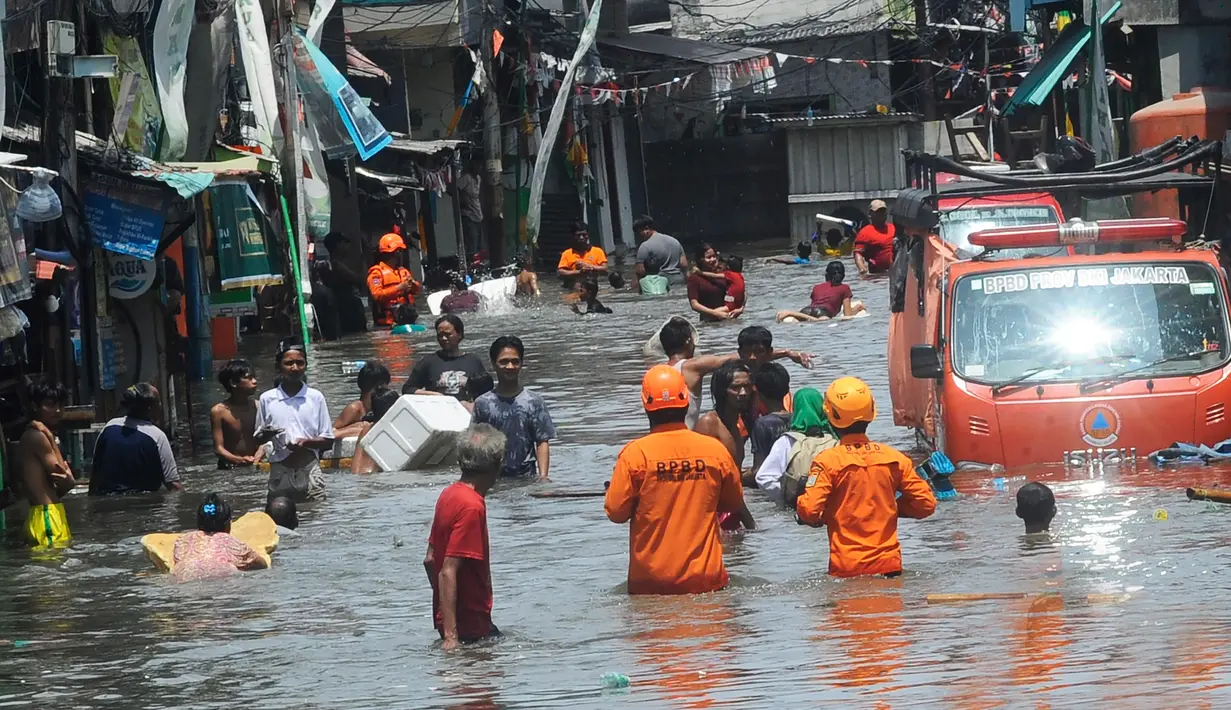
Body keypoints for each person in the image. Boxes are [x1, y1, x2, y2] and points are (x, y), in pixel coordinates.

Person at [604, 365, 752, 595]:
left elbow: (616, 513)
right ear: (685, 402)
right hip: (707, 581)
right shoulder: (714, 451)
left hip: (651, 586)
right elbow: (732, 502)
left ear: (646, 404)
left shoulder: (635, 455)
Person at [796, 377, 936, 577]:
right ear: (871, 414)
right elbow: (926, 505)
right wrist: (890, 508)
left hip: (846, 569)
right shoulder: (895, 458)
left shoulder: (827, 462)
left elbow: (809, 511)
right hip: (890, 567)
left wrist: (824, 513)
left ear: (831, 417)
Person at [424, 424, 507, 649]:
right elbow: (448, 571)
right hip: (469, 628)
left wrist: (445, 611)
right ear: (497, 465)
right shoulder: (472, 506)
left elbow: (430, 560)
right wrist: (452, 637)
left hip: (456, 623)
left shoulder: (448, 494)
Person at [659, 316, 810, 429]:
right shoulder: (690, 367)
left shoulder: (657, 375)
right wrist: (787, 353)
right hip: (685, 436)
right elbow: (729, 359)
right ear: (687, 341)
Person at [254, 342, 334, 502]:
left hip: (310, 471)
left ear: (306, 366)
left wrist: (305, 442)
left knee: (318, 519)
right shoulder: (267, 399)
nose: (295, 368)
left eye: (300, 363)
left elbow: (328, 441)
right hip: (280, 471)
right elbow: (258, 438)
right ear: (278, 367)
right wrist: (267, 435)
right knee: (278, 519)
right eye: (289, 363)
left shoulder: (315, 397)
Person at [472, 336, 555, 481]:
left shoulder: (534, 402)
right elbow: (475, 443)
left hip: (527, 477)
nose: (510, 366)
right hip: (492, 479)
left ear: (521, 363)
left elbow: (542, 442)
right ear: (493, 364)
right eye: (504, 362)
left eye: (515, 361)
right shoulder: (482, 403)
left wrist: (543, 477)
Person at [90, 383, 183, 496]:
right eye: (158, 402)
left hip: (106, 503)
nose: (160, 406)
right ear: (150, 408)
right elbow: (173, 485)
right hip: (144, 506)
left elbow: (94, 477)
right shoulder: (157, 437)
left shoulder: (108, 428)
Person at [753, 388, 838, 507]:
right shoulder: (835, 440)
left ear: (795, 409)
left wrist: (787, 496)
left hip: (796, 509)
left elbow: (764, 478)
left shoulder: (787, 441)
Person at [16, 382, 76, 547]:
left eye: (61, 405)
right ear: (35, 406)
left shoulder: (33, 435)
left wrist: (69, 483)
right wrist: (49, 436)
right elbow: (61, 471)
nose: (57, 411)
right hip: (46, 517)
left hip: (47, 514)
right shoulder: (38, 436)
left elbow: (60, 485)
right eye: (50, 405)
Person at [172, 493, 268, 583]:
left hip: (185, 582)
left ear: (198, 522)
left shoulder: (182, 541)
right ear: (228, 524)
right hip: (223, 581)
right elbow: (263, 565)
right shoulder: (233, 543)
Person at [402, 315, 490, 401]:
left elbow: (485, 391)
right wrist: (434, 395)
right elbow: (407, 389)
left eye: (448, 334)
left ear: (459, 334)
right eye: (440, 335)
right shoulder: (428, 362)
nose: (443, 338)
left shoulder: (473, 361)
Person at [695, 361, 753, 469]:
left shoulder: (736, 424)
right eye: (736, 387)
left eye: (747, 386)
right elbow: (699, 471)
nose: (743, 393)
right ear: (722, 391)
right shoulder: (709, 424)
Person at [211, 359, 264, 469]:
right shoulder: (219, 412)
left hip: (256, 463)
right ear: (233, 383)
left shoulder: (259, 406)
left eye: (254, 377)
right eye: (249, 378)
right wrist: (239, 460)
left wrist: (259, 454)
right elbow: (218, 449)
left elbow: (265, 439)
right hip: (230, 467)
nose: (254, 381)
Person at [776, 261, 867, 323]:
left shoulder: (817, 287)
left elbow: (815, 305)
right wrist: (858, 307)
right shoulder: (845, 288)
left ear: (826, 274)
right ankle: (790, 313)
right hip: (823, 314)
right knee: (822, 321)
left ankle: (793, 314)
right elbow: (848, 315)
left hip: (806, 310)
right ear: (843, 275)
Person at [367, 233, 422, 327]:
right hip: (386, 325)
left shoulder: (403, 271)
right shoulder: (376, 273)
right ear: (395, 252)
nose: (401, 254)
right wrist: (399, 288)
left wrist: (413, 284)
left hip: (406, 320)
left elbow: (417, 291)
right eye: (400, 251)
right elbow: (377, 295)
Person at [747, 362, 791, 477]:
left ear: (759, 392)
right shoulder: (796, 419)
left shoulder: (762, 424)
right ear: (787, 390)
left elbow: (758, 470)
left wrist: (739, 477)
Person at [322, 232, 369, 335]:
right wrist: (364, 257)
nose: (348, 246)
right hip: (348, 313)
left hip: (346, 312)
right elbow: (362, 279)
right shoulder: (336, 266)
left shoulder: (334, 265)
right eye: (345, 243)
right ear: (338, 245)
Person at [350, 387, 401, 473]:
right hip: (376, 477)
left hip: (359, 477)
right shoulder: (389, 432)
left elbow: (355, 469)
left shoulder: (366, 430)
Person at [334, 361, 392, 435]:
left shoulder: (379, 407)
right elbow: (331, 433)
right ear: (379, 386)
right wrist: (358, 427)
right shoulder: (355, 408)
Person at [633, 215, 687, 291]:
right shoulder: (675, 241)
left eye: (639, 232)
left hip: (659, 284)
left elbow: (640, 272)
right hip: (679, 280)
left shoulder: (645, 246)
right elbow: (684, 264)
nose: (639, 236)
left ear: (646, 229)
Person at [687, 244, 738, 322]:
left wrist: (740, 309)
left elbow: (741, 293)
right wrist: (715, 313)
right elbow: (694, 305)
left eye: (714, 256)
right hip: (708, 323)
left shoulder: (724, 274)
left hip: (729, 319)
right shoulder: (695, 279)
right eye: (708, 257)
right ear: (701, 259)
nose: (713, 259)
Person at [556, 221, 608, 286]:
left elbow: (605, 269)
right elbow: (560, 273)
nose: (581, 238)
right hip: (574, 287)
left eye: (584, 235)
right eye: (578, 235)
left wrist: (588, 266)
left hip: (593, 286)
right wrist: (578, 272)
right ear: (573, 237)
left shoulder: (598, 251)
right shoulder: (567, 253)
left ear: (588, 236)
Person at [854, 199, 896, 275]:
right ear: (870, 214)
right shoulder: (865, 233)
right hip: (877, 275)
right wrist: (862, 269)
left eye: (883, 212)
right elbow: (858, 253)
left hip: (894, 271)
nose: (881, 214)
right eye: (878, 212)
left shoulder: (893, 228)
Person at [458, 158, 485, 257]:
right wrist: (462, 200)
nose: (479, 168)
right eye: (478, 165)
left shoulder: (478, 178)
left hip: (478, 215)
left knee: (480, 247)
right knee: (472, 245)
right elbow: (453, 189)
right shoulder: (466, 178)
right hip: (469, 215)